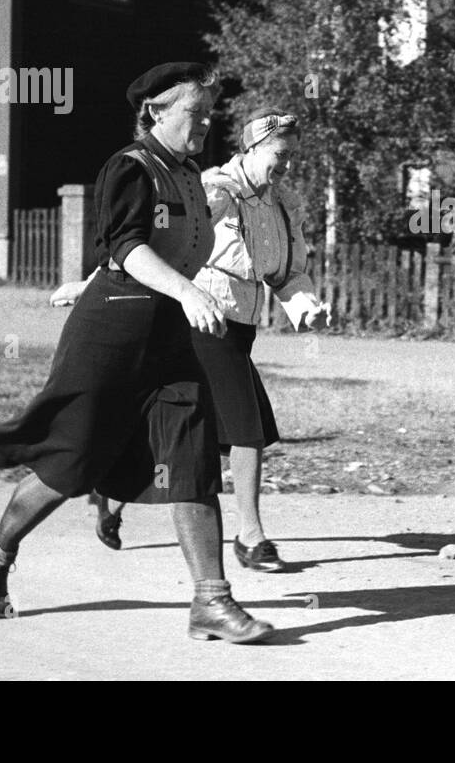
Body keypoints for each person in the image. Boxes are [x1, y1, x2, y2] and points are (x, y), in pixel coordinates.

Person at [0, 62, 273, 644]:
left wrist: (189, 293)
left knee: (191, 456)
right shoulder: (130, 168)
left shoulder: (188, 173)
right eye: (194, 112)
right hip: (112, 332)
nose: (206, 123)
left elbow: (184, 249)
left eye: (210, 113)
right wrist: (186, 291)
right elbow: (126, 248)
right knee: (72, 461)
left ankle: (211, 600)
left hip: (171, 337)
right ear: (156, 112)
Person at [83, 106, 330, 573]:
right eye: (282, 153)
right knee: (247, 425)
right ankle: (250, 537)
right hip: (201, 321)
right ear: (254, 147)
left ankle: (111, 500)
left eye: (294, 155)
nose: (289, 165)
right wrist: (94, 281)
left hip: (240, 329)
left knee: (185, 434)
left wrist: (306, 308)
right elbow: (156, 241)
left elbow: (287, 273)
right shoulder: (214, 191)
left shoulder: (281, 205)